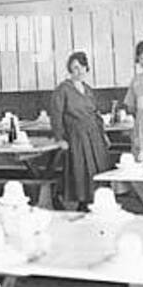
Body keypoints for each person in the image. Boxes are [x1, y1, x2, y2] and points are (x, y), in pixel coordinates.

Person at [49, 51, 111, 210]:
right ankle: (83, 204)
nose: (78, 71)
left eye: (81, 67)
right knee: (81, 170)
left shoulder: (88, 89)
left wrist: (103, 135)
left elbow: (95, 114)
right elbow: (56, 115)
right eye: (74, 68)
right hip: (76, 136)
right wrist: (59, 138)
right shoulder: (63, 89)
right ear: (70, 69)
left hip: (94, 136)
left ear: (86, 68)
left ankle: (97, 202)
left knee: (99, 169)